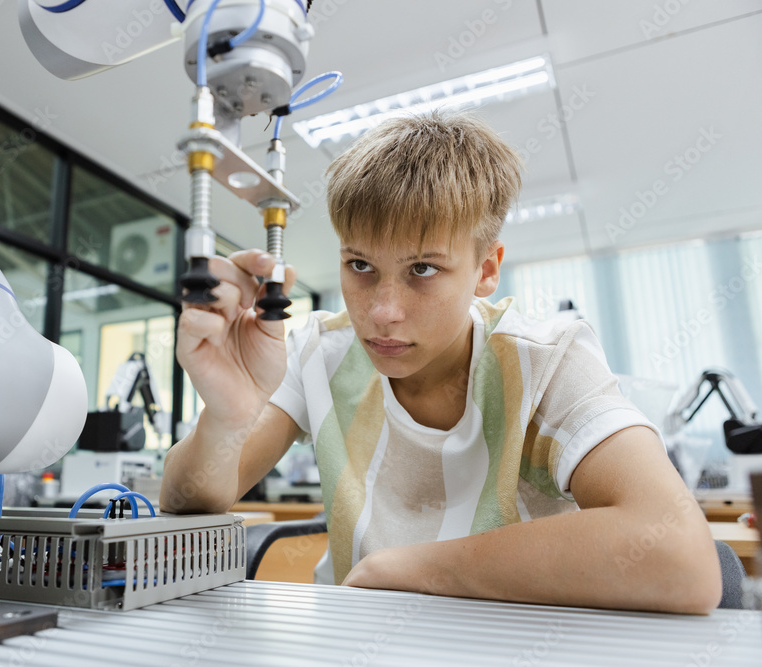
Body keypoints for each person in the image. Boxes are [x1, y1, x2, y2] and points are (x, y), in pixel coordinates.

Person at [160, 111, 721, 614]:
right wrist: (226, 417)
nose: (382, 313)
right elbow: (187, 501)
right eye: (359, 265)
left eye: (423, 270)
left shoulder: (547, 362)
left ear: (486, 270)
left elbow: (680, 555)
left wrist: (410, 568)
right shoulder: (317, 350)